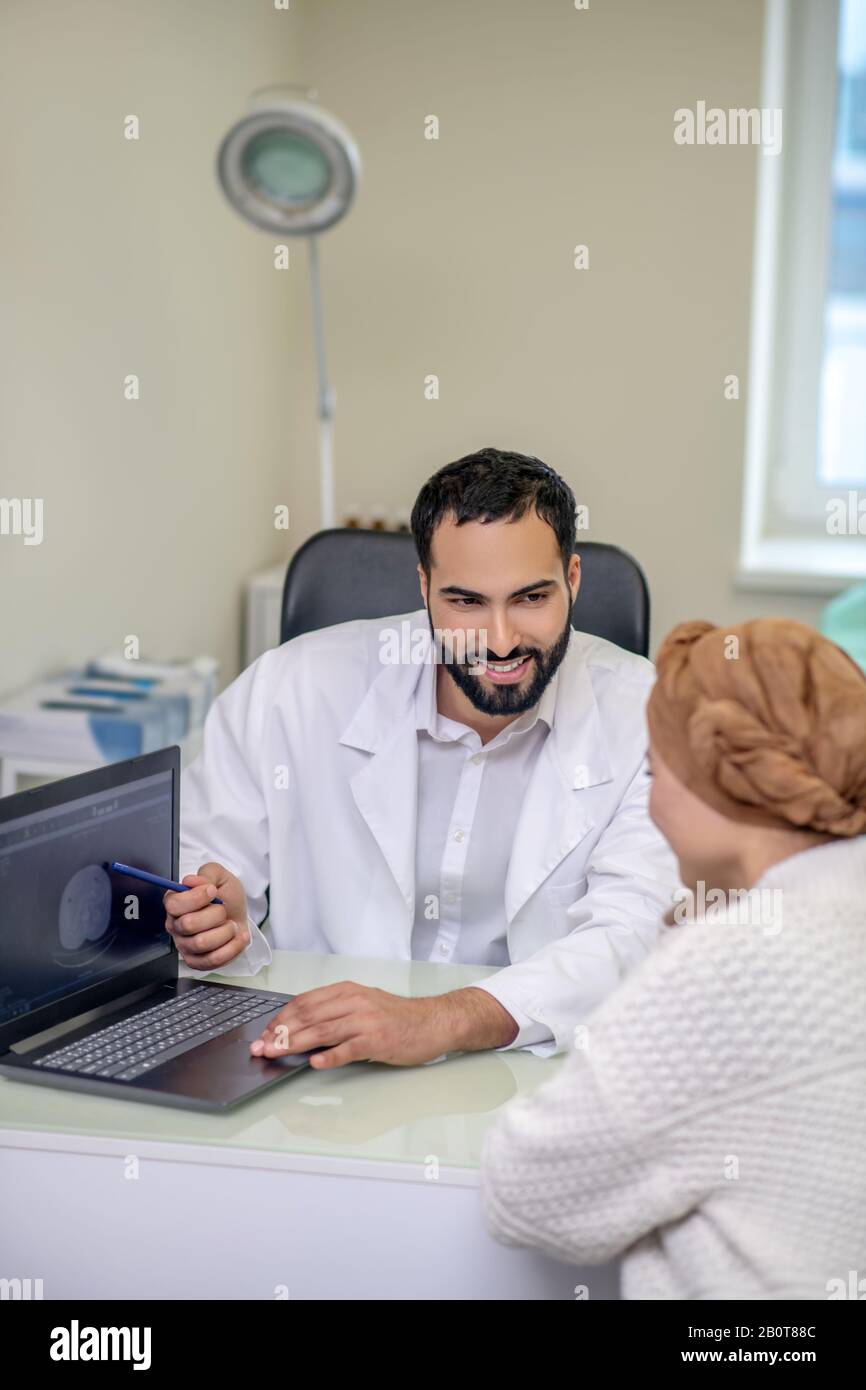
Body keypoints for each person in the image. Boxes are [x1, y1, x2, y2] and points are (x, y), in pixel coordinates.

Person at [166, 447, 678, 1069]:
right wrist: (213, 920)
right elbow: (200, 866)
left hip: (531, 1073)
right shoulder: (292, 689)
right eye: (466, 602)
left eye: (530, 598)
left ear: (572, 580)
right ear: (424, 587)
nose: (500, 641)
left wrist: (439, 1020)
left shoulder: (649, 715)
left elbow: (632, 937)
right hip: (312, 1068)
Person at [480, 617, 866, 1299]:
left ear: (720, 780)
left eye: (658, 771)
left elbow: (525, 1193)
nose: (652, 804)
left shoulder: (735, 962)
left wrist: (691, 947)